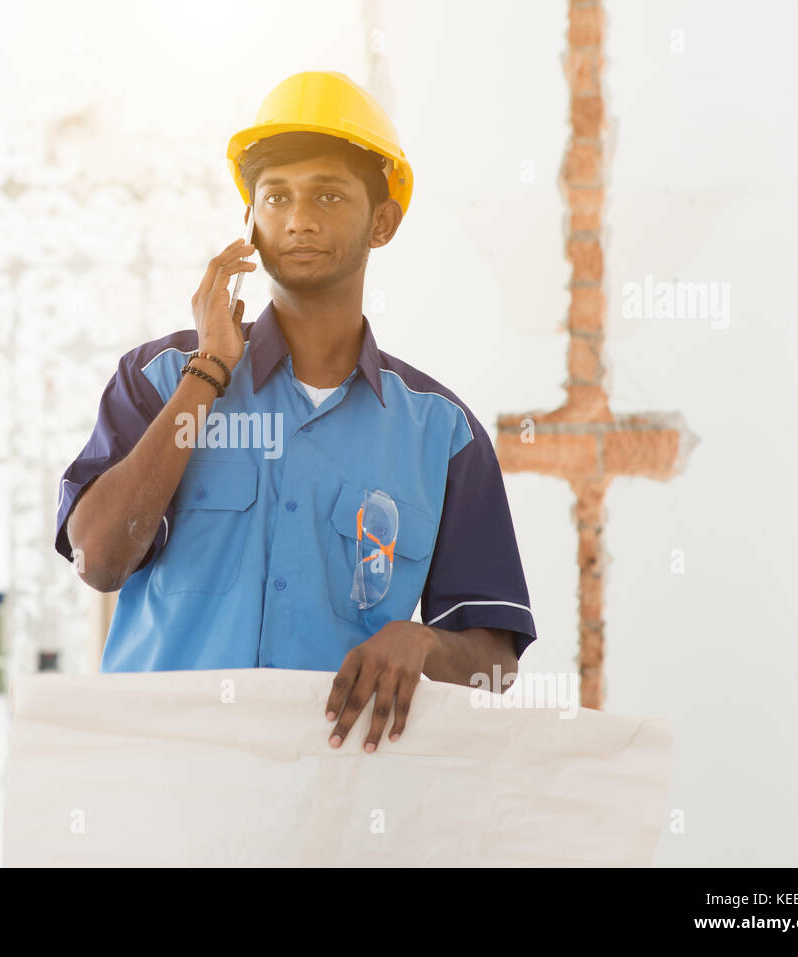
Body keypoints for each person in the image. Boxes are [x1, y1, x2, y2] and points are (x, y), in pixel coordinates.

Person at [55, 71, 537, 753]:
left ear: (383, 221)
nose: (298, 218)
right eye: (275, 196)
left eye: (329, 195)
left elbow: (495, 663)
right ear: (249, 222)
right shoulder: (157, 380)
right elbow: (96, 558)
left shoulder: (443, 436)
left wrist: (422, 643)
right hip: (157, 793)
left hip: (332, 809)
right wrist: (207, 372)